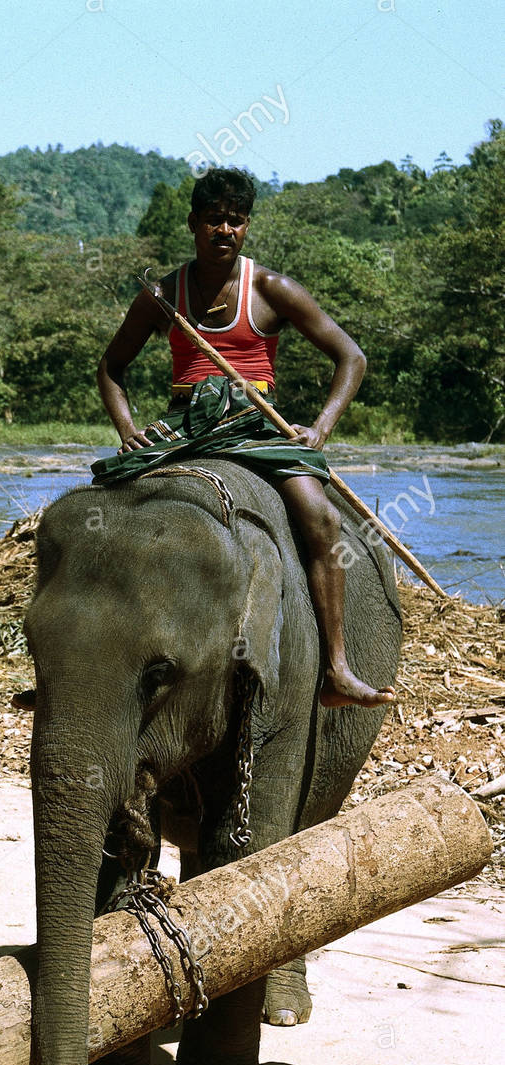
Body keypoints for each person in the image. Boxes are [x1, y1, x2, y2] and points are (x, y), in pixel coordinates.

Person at [93, 166, 395, 708]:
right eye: (214, 220)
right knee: (95, 513)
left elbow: (352, 356)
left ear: (247, 227)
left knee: (320, 516)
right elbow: (112, 366)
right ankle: (77, 672)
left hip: (256, 424)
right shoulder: (162, 295)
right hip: (183, 426)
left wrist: (320, 428)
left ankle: (336, 668)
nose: (224, 231)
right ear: (193, 223)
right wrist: (129, 431)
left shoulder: (271, 289)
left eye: (235, 221)